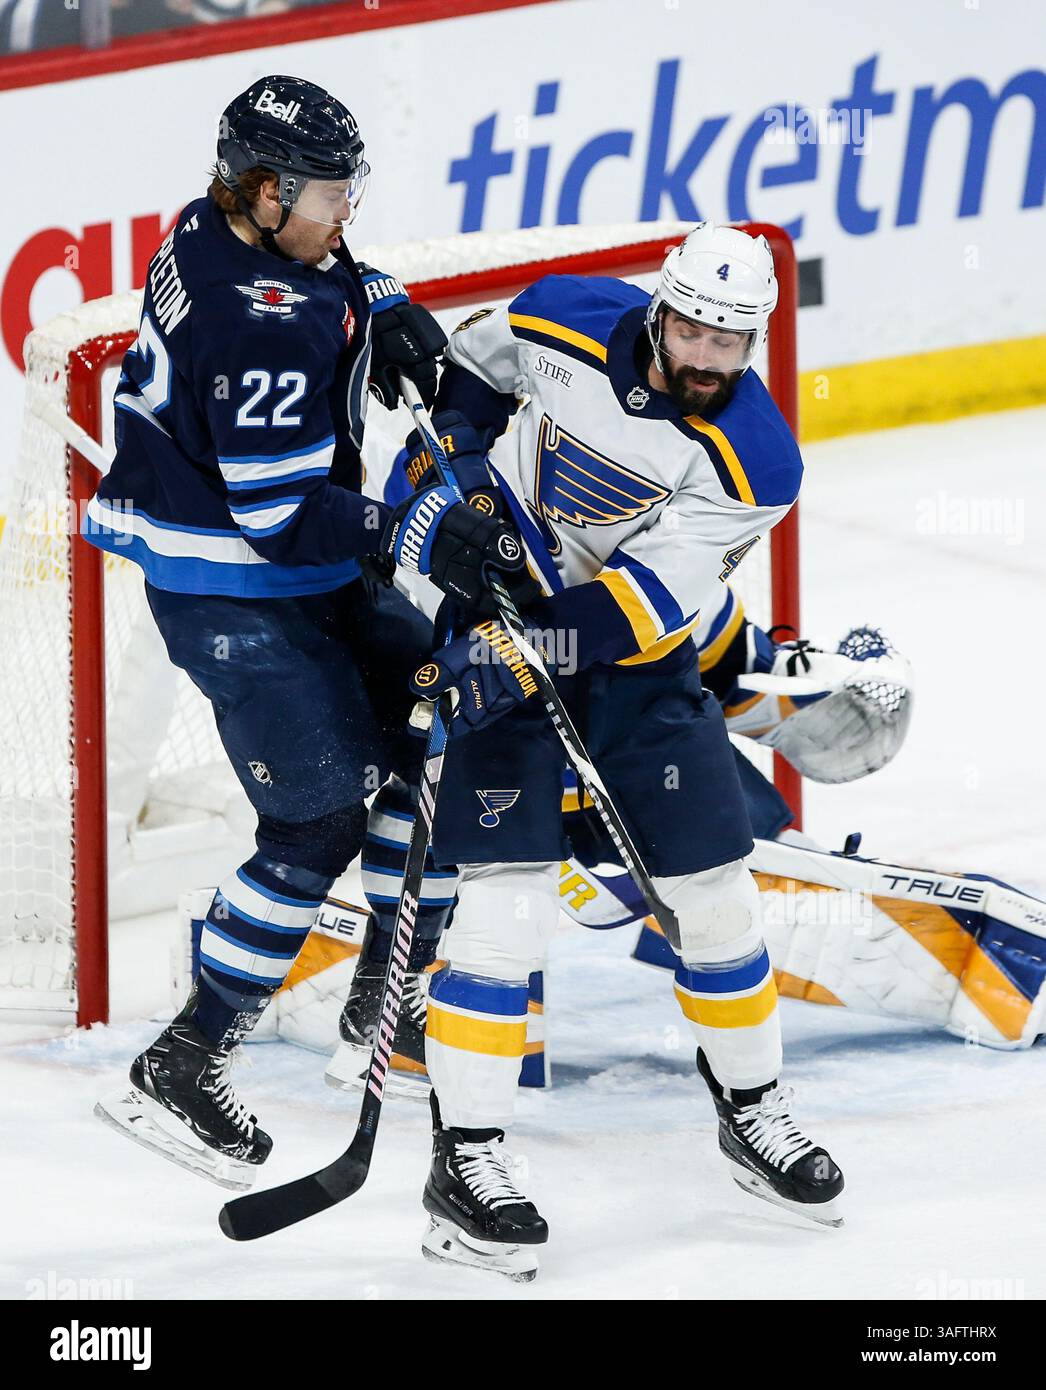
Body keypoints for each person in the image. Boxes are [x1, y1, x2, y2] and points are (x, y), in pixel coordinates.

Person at [370, 222, 845, 1278]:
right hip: (499, 611)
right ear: (658, 310)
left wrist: (520, 644)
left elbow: (645, 601)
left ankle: (752, 1111)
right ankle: (468, 1160)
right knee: (505, 904)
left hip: (633, 664)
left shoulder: (756, 457)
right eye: (694, 334)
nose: (709, 362)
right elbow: (470, 383)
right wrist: (446, 495)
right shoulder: (562, 313)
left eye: (732, 343)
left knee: (716, 893)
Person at [89, 75, 523, 1190]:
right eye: (332, 191)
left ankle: (385, 995)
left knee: (435, 722)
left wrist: (383, 308)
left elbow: (328, 272)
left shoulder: (221, 224)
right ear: (268, 189)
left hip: (284, 570)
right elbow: (282, 519)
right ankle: (184, 1056)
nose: (348, 210)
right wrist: (422, 525)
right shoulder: (254, 321)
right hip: (236, 590)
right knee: (317, 819)